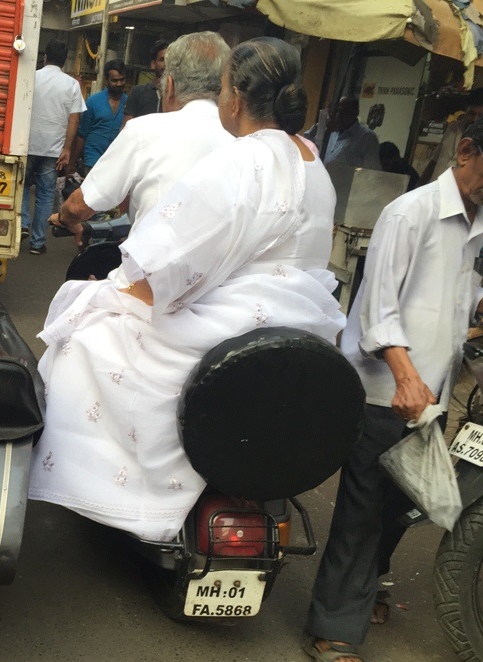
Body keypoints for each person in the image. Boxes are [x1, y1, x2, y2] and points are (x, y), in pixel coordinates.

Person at [28, 38, 345, 542]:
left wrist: (119, 292)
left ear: (235, 98)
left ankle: (118, 494)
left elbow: (167, 268)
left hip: (231, 327)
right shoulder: (311, 160)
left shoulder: (244, 162)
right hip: (300, 324)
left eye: (223, 90)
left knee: (82, 329)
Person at [304, 95, 483, 662]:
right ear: (466, 150)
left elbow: (454, 294)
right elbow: (380, 311)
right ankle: (331, 630)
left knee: (398, 508)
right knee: (362, 512)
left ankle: (365, 587)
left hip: (426, 393)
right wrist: (408, 378)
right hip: (386, 390)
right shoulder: (409, 215)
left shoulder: (474, 224)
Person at [49, 32, 233, 242]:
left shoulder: (143, 131)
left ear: (170, 86)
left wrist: (64, 219)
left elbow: (78, 206)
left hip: (149, 268)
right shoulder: (246, 142)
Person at [21, 39, 85, 255]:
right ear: (64, 61)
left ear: (45, 57)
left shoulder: (31, 78)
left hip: (27, 145)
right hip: (53, 150)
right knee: (45, 194)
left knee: (21, 187)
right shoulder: (71, 85)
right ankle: (37, 243)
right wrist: (67, 149)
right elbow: (74, 120)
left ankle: (21, 225)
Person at [420, 87, 483, 185]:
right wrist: (419, 185)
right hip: (433, 190)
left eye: (481, 116)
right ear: (466, 109)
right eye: (471, 113)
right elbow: (434, 162)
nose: (475, 119)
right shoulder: (454, 128)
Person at [71, 59, 127, 175]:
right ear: (106, 80)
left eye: (122, 80)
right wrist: (72, 162)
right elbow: (82, 134)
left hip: (118, 163)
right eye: (114, 80)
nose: (119, 84)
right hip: (93, 161)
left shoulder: (130, 103)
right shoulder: (93, 101)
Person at [322, 96, 380, 170]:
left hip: (347, 180)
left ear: (355, 112)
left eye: (344, 111)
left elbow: (371, 170)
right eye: (337, 111)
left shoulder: (367, 137)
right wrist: (320, 126)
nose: (338, 115)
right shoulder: (331, 132)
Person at [123, 39, 168, 125]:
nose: (166, 64)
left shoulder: (179, 95)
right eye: (162, 59)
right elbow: (127, 126)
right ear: (153, 64)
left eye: (170, 60)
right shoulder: (138, 92)